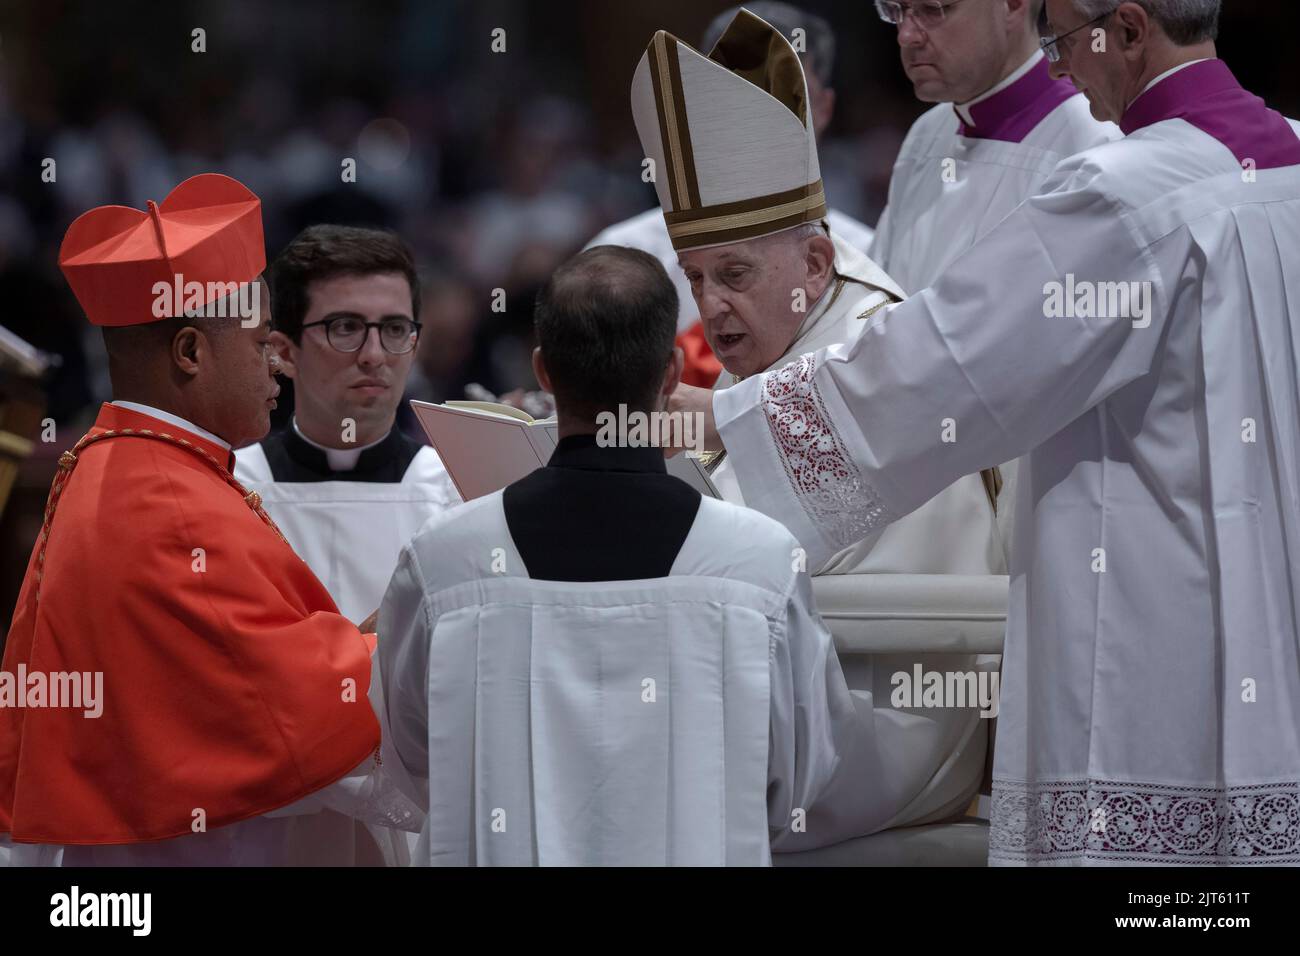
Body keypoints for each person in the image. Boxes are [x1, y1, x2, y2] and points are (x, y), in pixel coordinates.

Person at [673, 0, 1300, 865]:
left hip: (1153, 597)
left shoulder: (1122, 196)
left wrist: (732, 418)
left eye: (1063, 35)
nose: (1057, 61)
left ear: (1125, 29)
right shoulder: (1288, 161)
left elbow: (946, 359)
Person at [375, 245, 906, 865]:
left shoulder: (446, 560)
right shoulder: (758, 564)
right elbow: (803, 769)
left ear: (544, 373)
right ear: (672, 374)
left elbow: (410, 754)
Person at [630, 8, 999, 832]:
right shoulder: (781, 343)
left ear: (816, 262)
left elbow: (781, 540)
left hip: (887, 709)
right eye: (694, 277)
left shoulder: (878, 347)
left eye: (732, 272)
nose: (712, 308)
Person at [0, 174, 414, 865]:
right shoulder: (167, 504)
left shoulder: (127, 465)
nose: (278, 365)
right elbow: (296, 716)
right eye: (260, 344)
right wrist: (427, 626)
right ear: (190, 352)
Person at [869, 0, 1120, 560]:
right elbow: (878, 311)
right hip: (914, 493)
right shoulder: (927, 137)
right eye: (896, 10)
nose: (908, 35)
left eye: (932, 10)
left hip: (1025, 508)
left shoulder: (1091, 144)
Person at [588, 2, 876, 387]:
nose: (708, 303)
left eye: (782, 101)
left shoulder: (868, 270)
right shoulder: (622, 257)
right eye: (693, 277)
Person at [234, 225, 460, 622]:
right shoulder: (234, 489)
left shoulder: (455, 494)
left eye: (393, 329)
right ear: (284, 353)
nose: (374, 355)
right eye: (346, 328)